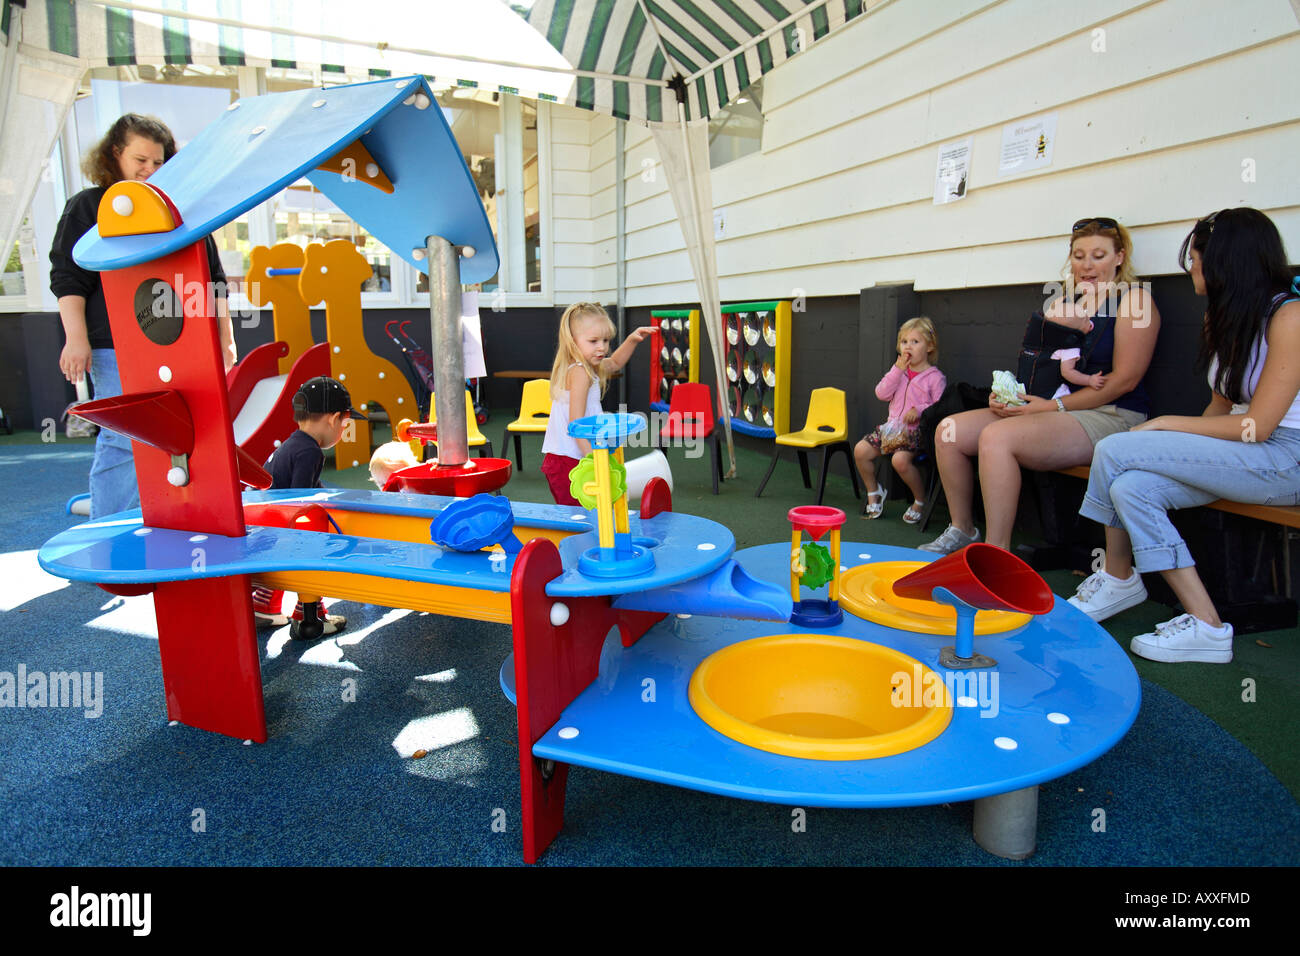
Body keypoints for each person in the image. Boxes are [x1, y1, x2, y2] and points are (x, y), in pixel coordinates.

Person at [1068, 208, 1300, 663]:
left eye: (1194, 258)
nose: (1190, 267)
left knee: (1117, 446)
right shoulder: (1225, 316)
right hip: (1244, 452)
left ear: (1224, 260)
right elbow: (1220, 407)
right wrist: (1170, 448)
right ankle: (1208, 627)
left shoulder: (1289, 316)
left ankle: (1117, 575)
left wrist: (1164, 427)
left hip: (1285, 458)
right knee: (1132, 485)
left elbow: (1261, 425)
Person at [920, 217, 1161, 554]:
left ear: (1120, 257)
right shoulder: (1065, 302)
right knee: (949, 431)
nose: (1087, 265)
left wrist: (1052, 406)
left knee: (997, 438)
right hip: (1053, 408)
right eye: (1079, 256)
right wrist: (1010, 395)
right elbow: (1038, 365)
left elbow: (1126, 380)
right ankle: (962, 529)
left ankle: (996, 553)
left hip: (1110, 414)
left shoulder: (1135, 301)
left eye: (1098, 255)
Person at [50, 113, 236, 520]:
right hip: (114, 345)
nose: (150, 170)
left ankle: (173, 520)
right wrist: (75, 338)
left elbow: (213, 278)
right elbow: (68, 278)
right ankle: (110, 532)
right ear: (115, 156)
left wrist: (225, 338)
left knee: (186, 435)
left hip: (181, 343)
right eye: (140, 160)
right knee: (122, 440)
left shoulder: (182, 211)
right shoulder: (90, 206)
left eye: (159, 161)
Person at [255, 376, 365, 639]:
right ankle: (309, 616)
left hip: (265, 530)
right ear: (333, 418)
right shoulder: (310, 452)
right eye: (345, 423)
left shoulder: (292, 444)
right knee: (319, 543)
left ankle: (265, 602)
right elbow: (301, 500)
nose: (343, 430)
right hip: (281, 534)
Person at [540, 303, 655, 505]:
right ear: (572, 341)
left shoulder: (589, 366)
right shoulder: (580, 373)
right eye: (593, 341)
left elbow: (615, 363)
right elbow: (575, 423)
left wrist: (632, 340)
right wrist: (594, 460)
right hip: (569, 460)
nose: (601, 347)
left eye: (605, 340)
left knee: (588, 514)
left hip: (571, 457)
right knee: (578, 516)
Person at [854, 317, 946, 522]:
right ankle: (874, 490)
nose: (908, 347)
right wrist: (897, 370)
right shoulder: (899, 373)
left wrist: (920, 409)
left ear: (929, 346)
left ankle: (920, 500)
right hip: (891, 430)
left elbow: (940, 407)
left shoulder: (935, 377)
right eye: (904, 342)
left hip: (916, 433)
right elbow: (881, 393)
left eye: (915, 342)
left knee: (899, 460)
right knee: (861, 450)